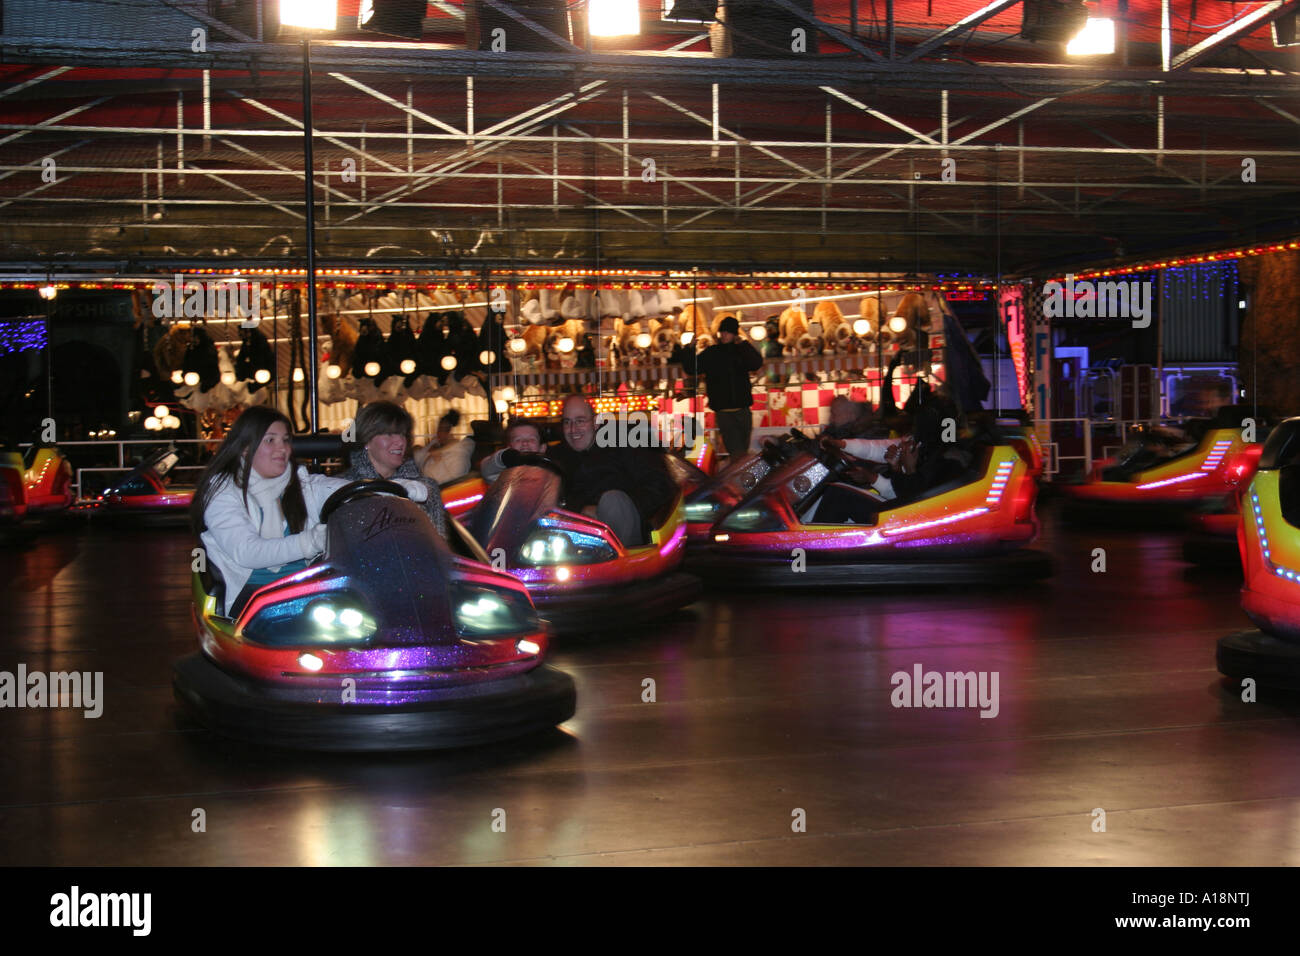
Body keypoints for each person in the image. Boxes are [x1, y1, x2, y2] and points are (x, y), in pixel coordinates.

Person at [191, 406, 431, 617]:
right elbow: (247, 552)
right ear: (245, 448)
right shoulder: (224, 491)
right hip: (251, 600)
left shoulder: (300, 483)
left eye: (285, 440)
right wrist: (312, 541)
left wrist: (400, 488)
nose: (282, 449)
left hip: (305, 591)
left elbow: (345, 489)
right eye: (270, 440)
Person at [548, 395, 677, 547]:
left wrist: (613, 509)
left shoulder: (625, 444)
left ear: (596, 423)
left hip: (626, 529)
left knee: (613, 501)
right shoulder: (557, 456)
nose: (573, 429)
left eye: (580, 421)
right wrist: (582, 509)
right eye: (567, 422)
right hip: (572, 537)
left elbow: (659, 485)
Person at [341, 400, 449, 538]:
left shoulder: (426, 489)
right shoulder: (342, 487)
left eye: (403, 434)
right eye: (389, 434)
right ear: (366, 440)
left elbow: (438, 544)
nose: (400, 442)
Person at [695, 315, 763, 460]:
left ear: (734, 334)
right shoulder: (713, 352)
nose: (725, 335)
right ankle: (743, 479)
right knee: (737, 452)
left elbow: (756, 363)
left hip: (743, 410)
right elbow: (693, 367)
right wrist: (688, 350)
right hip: (724, 412)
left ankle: (742, 478)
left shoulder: (741, 351)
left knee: (742, 450)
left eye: (728, 332)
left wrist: (744, 344)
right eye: (723, 332)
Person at [417, 409, 475, 484]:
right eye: (439, 429)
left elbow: (454, 482)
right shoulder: (434, 445)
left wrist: (437, 459)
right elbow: (417, 461)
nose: (439, 433)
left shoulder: (459, 455)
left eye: (444, 430)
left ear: (451, 433)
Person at [480, 419, 547, 483]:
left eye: (532, 439)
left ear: (542, 448)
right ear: (509, 447)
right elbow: (487, 470)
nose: (525, 443)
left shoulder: (550, 473)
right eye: (518, 440)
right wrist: (503, 457)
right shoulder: (503, 475)